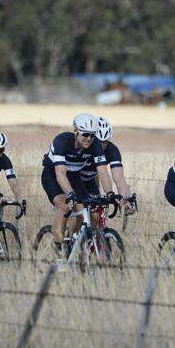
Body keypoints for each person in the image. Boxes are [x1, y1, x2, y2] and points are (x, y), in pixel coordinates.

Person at [40, 113, 114, 266]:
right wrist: (71, 194)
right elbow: (60, 174)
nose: (88, 138)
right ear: (76, 131)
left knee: (84, 212)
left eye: (92, 135)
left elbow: (103, 172)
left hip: (74, 177)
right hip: (53, 175)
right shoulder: (62, 141)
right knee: (64, 205)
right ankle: (59, 251)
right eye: (85, 134)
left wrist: (110, 194)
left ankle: (73, 243)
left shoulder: (95, 145)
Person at [79, 116, 134, 211]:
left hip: (90, 180)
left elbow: (119, 179)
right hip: (75, 179)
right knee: (77, 211)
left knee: (95, 212)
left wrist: (125, 199)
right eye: (98, 141)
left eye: (105, 142)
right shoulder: (83, 146)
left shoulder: (112, 150)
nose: (101, 146)